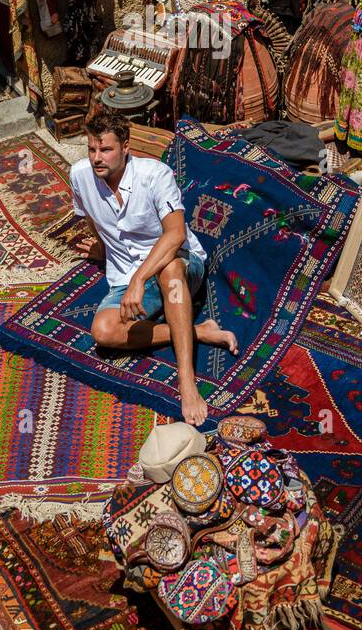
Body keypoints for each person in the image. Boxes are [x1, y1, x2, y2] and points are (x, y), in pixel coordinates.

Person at [70, 107, 237, 425]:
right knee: (103, 331)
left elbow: (175, 235)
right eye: (92, 149)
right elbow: (91, 216)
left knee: (170, 271)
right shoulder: (80, 175)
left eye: (105, 149)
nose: (97, 158)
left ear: (125, 147)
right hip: (124, 273)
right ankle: (196, 331)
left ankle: (187, 382)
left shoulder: (155, 175)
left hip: (179, 265)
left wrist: (140, 278)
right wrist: (104, 249)